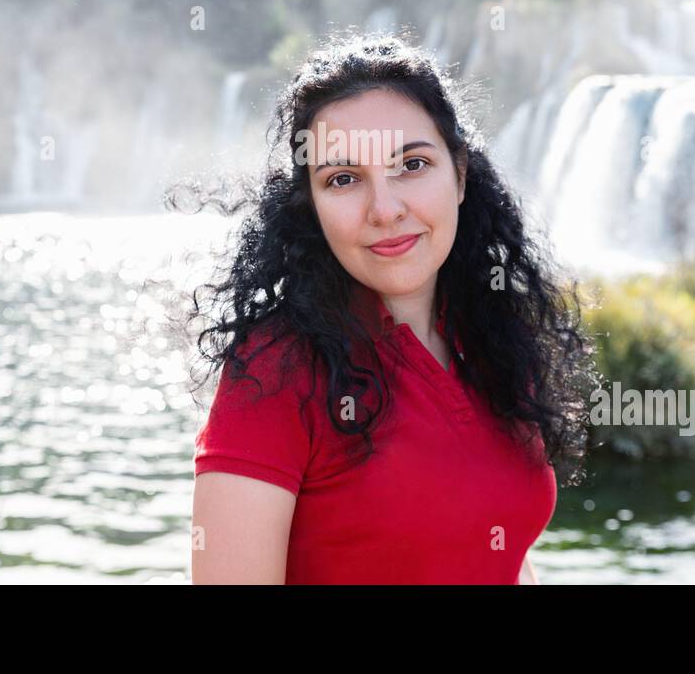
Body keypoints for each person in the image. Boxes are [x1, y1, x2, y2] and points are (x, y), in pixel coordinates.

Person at [175, 32, 596, 584]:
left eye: (412, 165)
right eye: (344, 179)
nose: (385, 209)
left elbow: (503, 555)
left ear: (461, 174)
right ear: (313, 206)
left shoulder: (496, 337)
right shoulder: (277, 370)